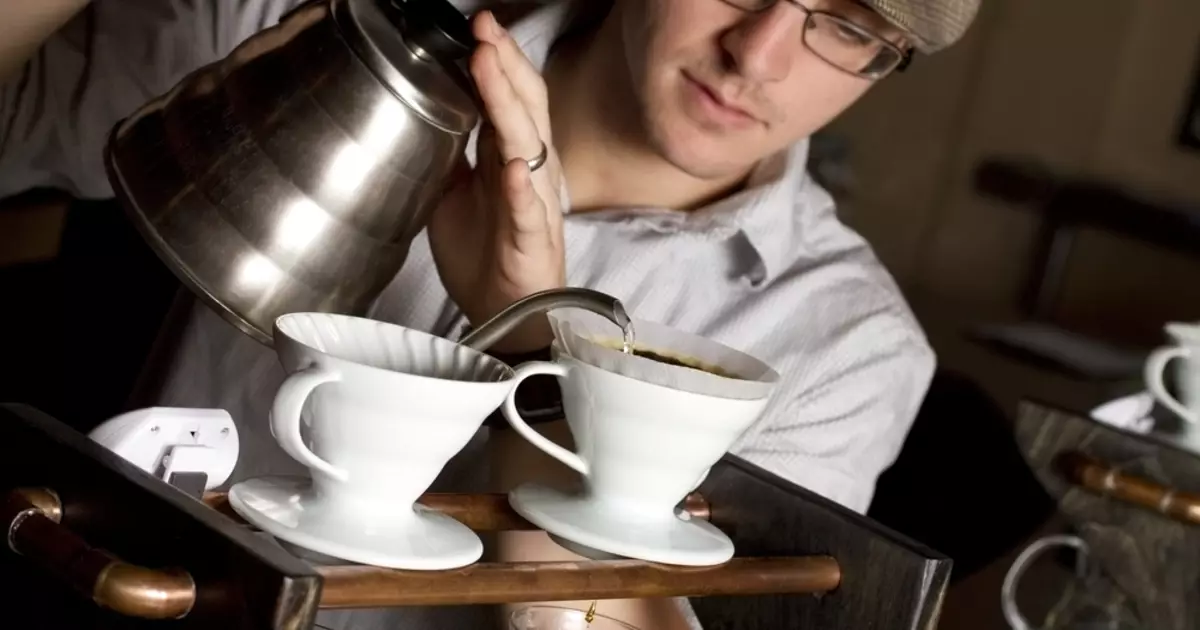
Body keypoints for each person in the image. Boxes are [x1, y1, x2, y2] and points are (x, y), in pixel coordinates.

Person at [0, 0, 980, 628]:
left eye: (847, 24)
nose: (757, 55)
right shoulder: (343, 29)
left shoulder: (848, 347)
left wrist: (529, 333)